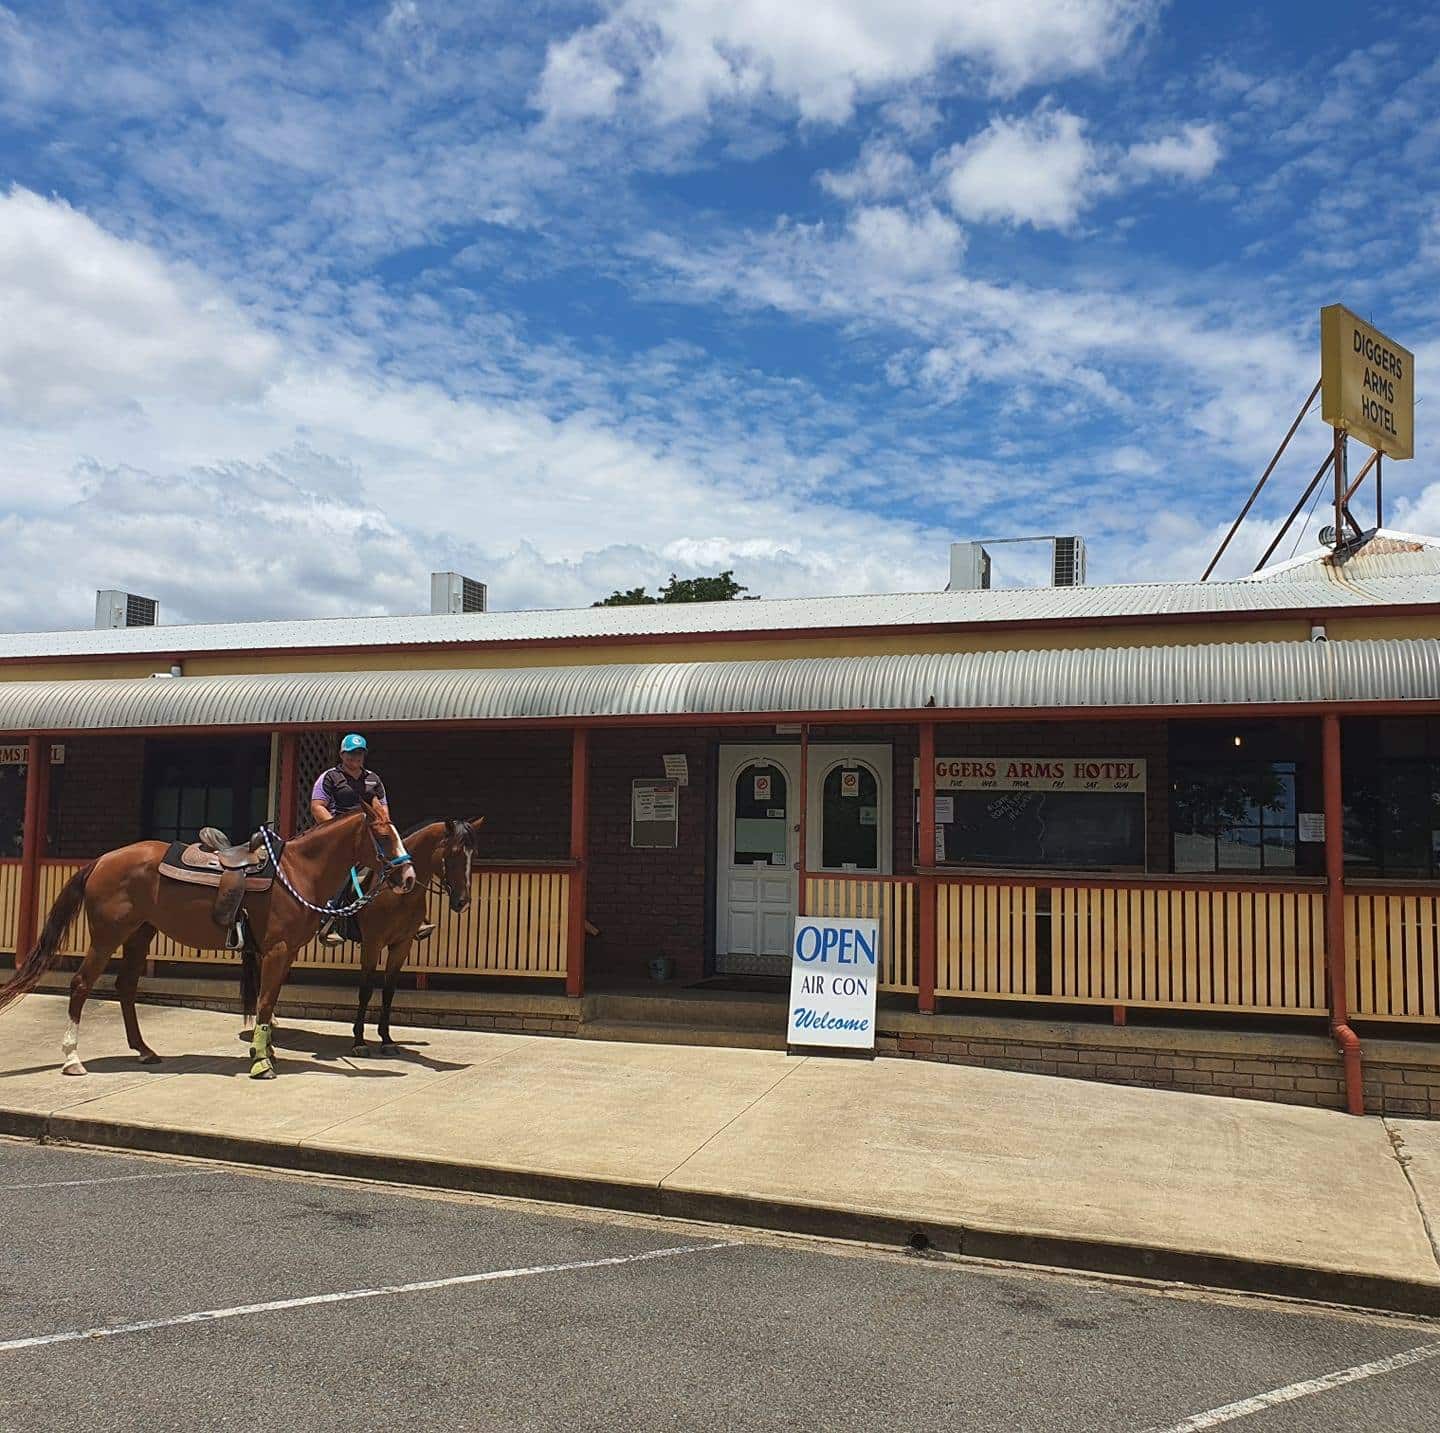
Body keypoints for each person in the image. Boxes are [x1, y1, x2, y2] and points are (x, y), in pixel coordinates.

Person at [312, 734, 432, 946]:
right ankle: (330, 918)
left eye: (359, 753)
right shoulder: (330, 777)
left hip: (370, 833)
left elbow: (383, 807)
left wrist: (384, 825)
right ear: (342, 754)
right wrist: (334, 829)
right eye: (351, 753)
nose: (355, 757)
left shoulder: (373, 779)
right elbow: (317, 806)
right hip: (341, 832)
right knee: (342, 868)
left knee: (399, 858)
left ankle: (415, 918)